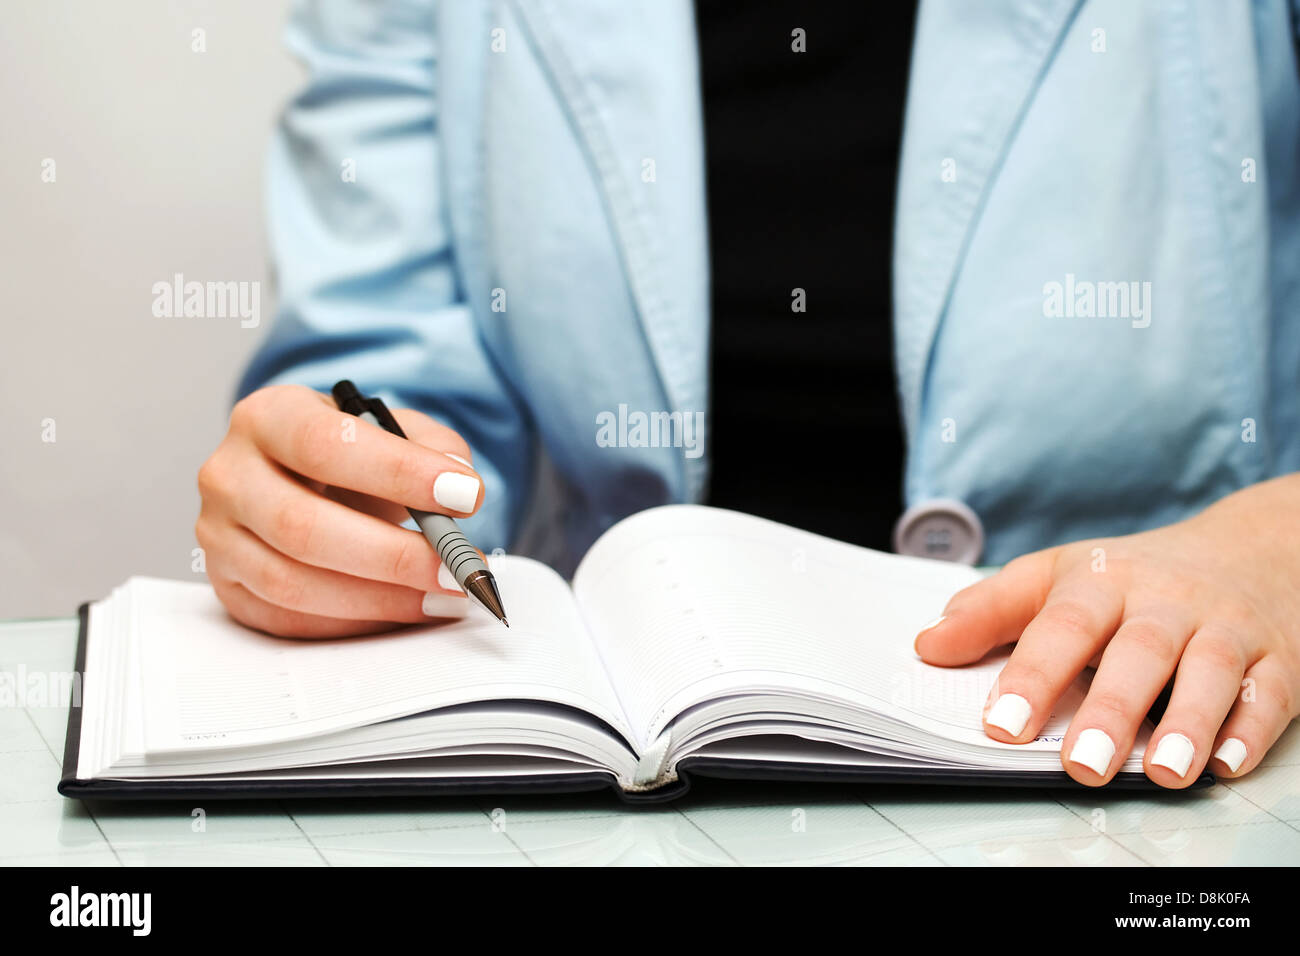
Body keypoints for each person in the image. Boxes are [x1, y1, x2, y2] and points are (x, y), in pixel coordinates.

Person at [195, 0, 1300, 789]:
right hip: (646, 745)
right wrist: (343, 499)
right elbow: (385, 355)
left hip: (1164, 734)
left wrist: (1275, 544)